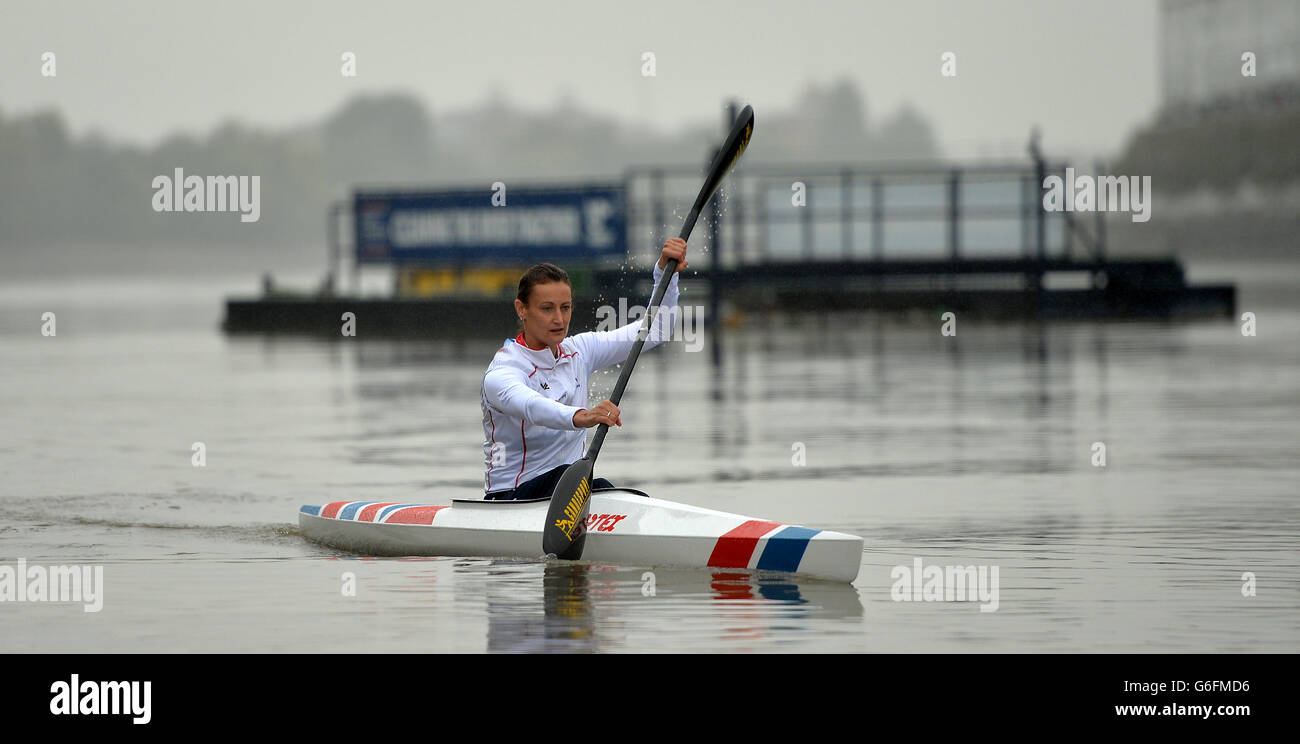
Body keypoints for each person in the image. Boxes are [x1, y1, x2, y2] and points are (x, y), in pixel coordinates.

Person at [481, 238, 688, 500]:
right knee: (589, 482)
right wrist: (583, 416)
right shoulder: (503, 371)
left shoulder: (580, 350)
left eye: (565, 308)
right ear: (521, 309)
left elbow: (655, 330)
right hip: (511, 497)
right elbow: (532, 407)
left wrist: (664, 276)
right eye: (547, 309)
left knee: (618, 494)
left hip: (567, 492)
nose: (559, 319)